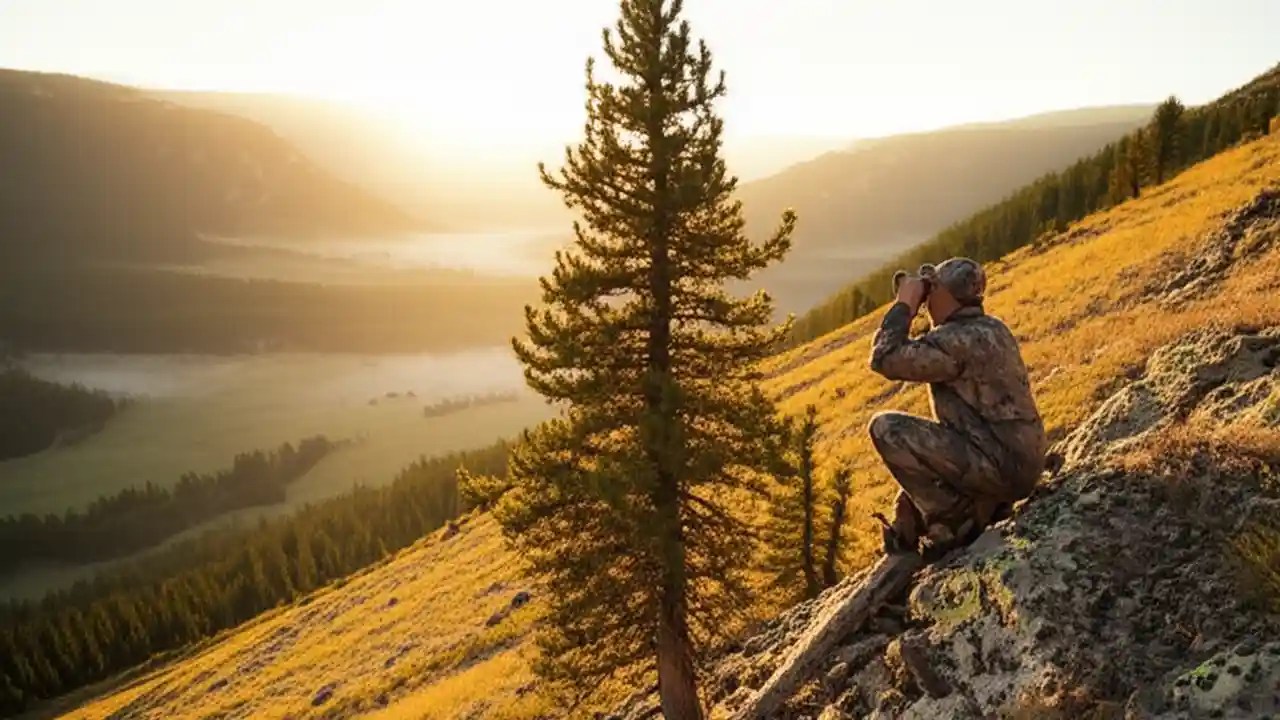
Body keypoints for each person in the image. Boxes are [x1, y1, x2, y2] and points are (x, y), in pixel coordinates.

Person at [867, 257, 1047, 556]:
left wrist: (905, 305)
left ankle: (955, 524)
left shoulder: (954, 341)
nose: (927, 299)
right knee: (914, 484)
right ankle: (975, 507)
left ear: (947, 294)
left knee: (886, 429)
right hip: (1017, 462)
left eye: (932, 288)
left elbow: (884, 358)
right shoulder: (991, 328)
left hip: (1001, 467)